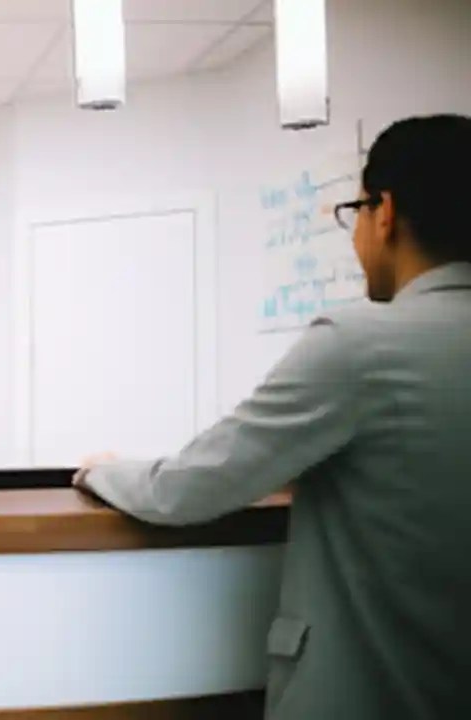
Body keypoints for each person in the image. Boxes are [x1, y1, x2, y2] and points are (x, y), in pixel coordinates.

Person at [73, 115, 471, 720]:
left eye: (355, 212)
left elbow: (189, 487)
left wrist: (100, 471)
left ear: (384, 212)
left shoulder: (358, 346)